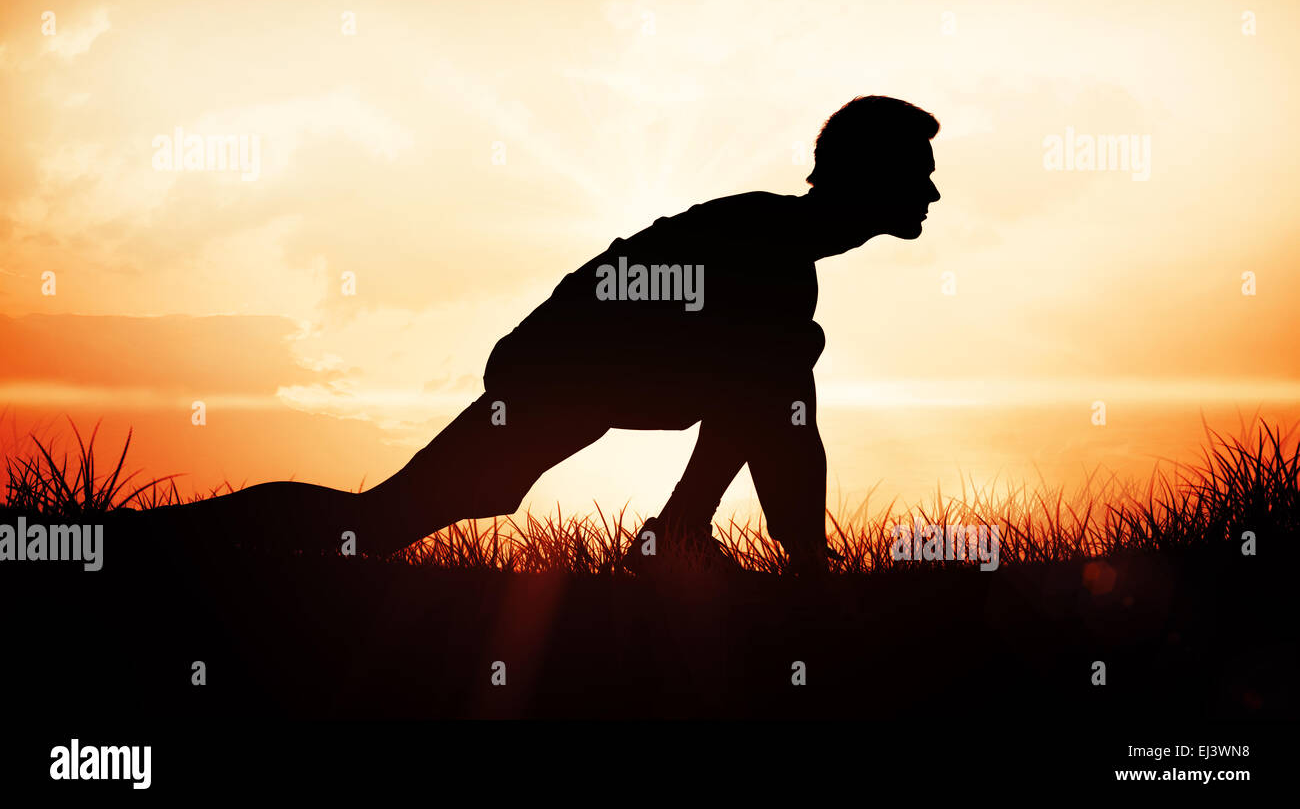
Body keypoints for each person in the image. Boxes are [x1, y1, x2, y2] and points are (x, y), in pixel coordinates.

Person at [129, 95, 941, 574]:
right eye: (919, 172)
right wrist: (806, 559)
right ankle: (139, 542)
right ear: (872, 176)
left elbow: (760, 399)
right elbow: (762, 397)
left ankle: (678, 534)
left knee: (378, 525)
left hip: (581, 373)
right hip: (558, 374)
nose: (934, 192)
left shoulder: (782, 252)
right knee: (378, 524)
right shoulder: (762, 239)